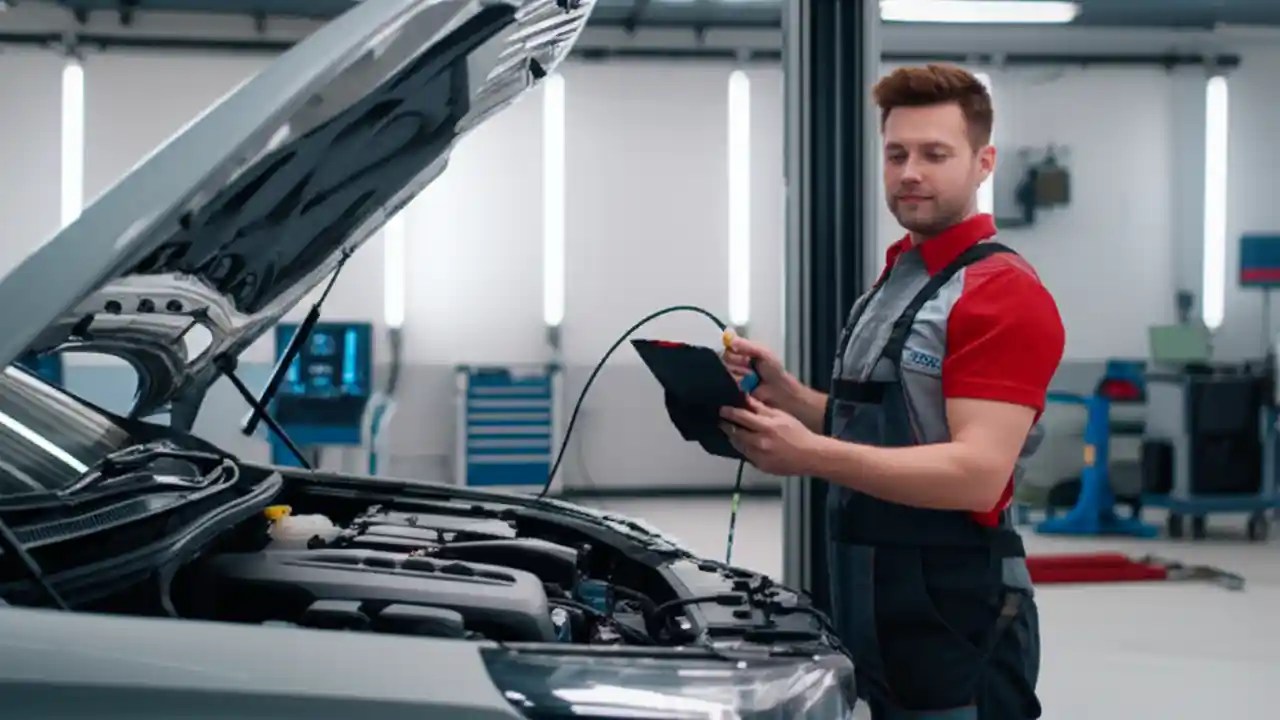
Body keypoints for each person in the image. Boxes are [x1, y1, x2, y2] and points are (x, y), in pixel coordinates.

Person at [719, 63, 1064, 719]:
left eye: (936, 154)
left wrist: (811, 455)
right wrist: (792, 397)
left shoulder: (1001, 293)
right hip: (872, 592)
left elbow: (976, 474)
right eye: (897, 153)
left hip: (953, 607)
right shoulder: (898, 277)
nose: (911, 171)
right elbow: (899, 425)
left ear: (983, 161)